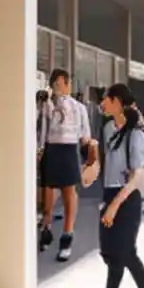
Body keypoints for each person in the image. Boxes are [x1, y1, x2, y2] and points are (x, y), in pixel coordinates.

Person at [88, 84, 144, 288]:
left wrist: (115, 205)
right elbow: (104, 163)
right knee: (110, 254)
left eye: (105, 99)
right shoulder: (108, 129)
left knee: (126, 252)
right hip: (109, 193)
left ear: (117, 101)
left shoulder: (136, 134)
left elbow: (136, 175)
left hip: (127, 198)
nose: (102, 104)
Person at [39, 69, 99, 261]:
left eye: (60, 83)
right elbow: (38, 128)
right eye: (54, 84)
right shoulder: (46, 105)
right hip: (51, 148)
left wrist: (90, 152)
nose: (58, 88)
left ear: (67, 84)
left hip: (69, 149)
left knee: (68, 192)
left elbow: (85, 136)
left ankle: (67, 234)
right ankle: (46, 226)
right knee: (47, 194)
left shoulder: (78, 108)